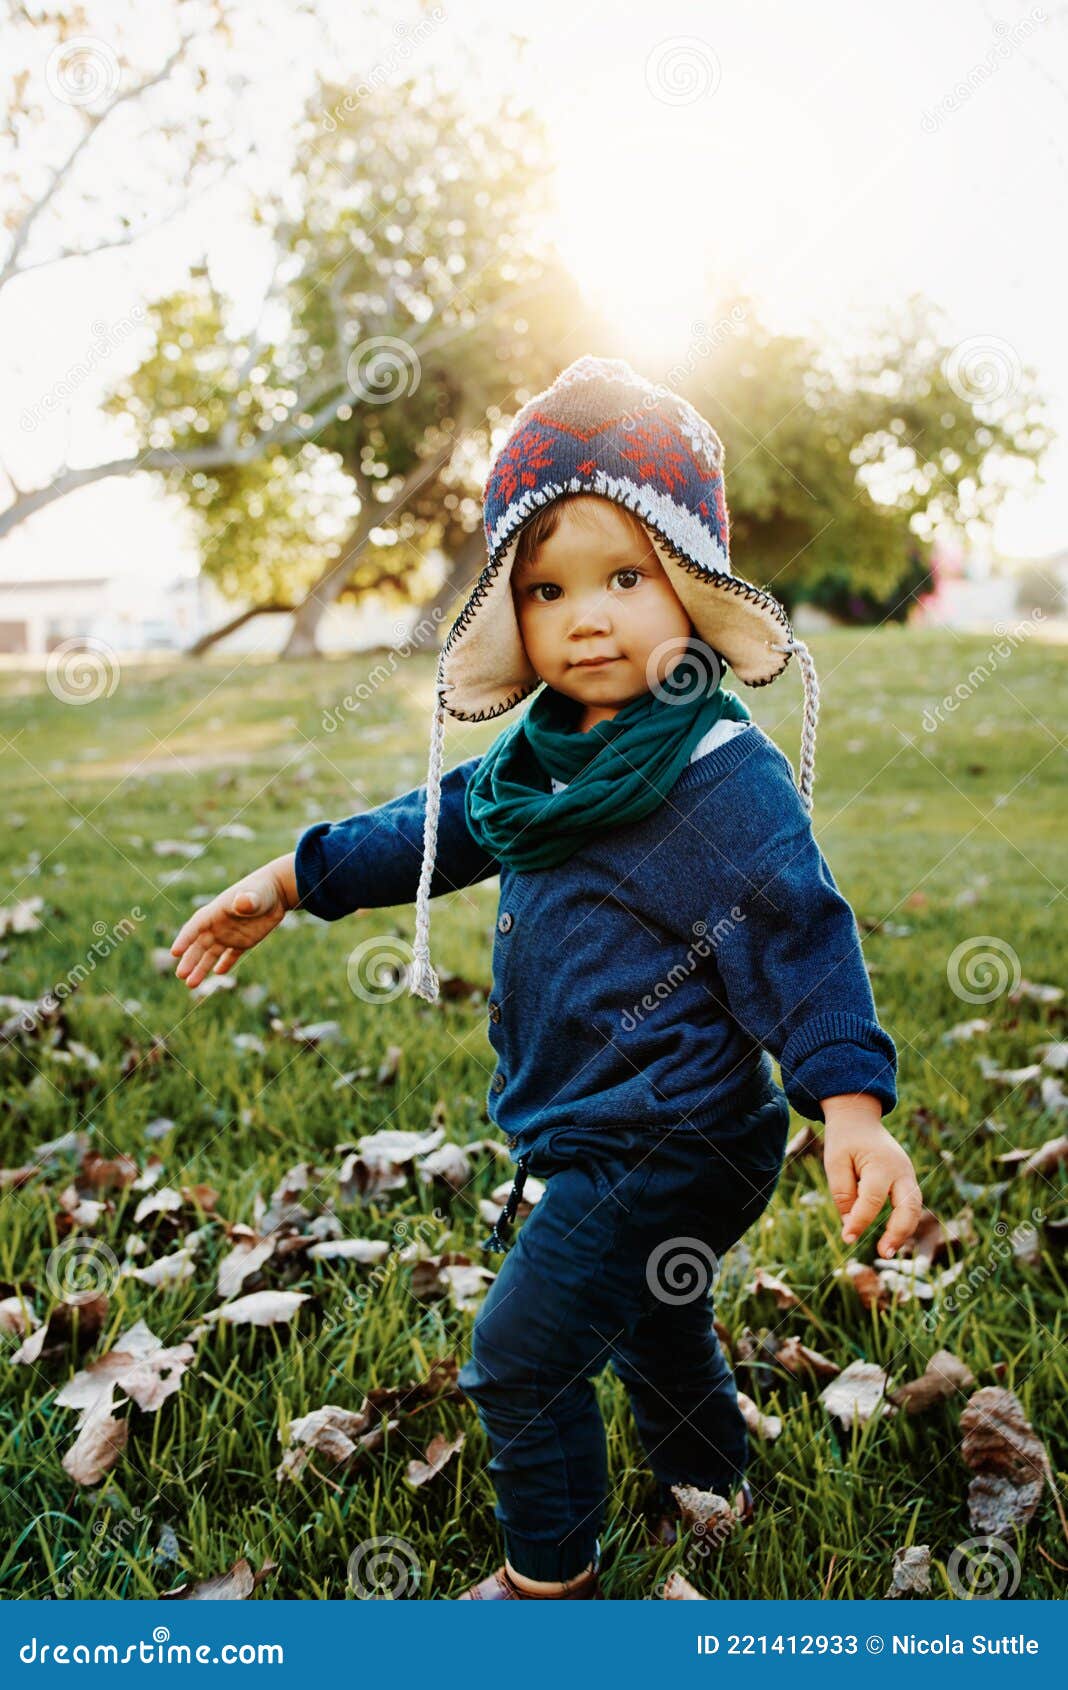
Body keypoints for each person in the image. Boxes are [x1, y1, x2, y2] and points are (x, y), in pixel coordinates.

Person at [170, 355, 923, 1601]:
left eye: (627, 577)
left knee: (522, 1355)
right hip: (600, 1126)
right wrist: (290, 879)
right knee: (657, 1313)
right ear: (507, 613)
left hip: (673, 1135)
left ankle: (545, 1589)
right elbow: (441, 819)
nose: (588, 614)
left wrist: (850, 1105)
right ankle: (709, 1483)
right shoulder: (541, 758)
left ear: (687, 584)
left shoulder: (714, 771)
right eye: (547, 587)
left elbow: (802, 927)